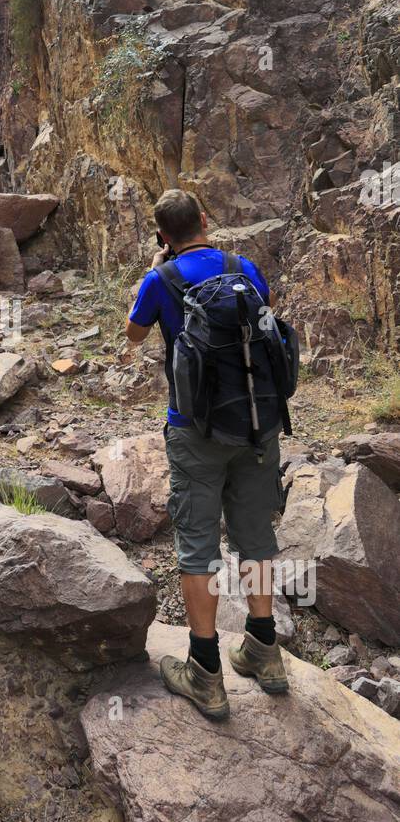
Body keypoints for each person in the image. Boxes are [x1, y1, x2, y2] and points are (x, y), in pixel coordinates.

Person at [125, 189, 288, 720]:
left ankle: (205, 672)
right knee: (256, 536)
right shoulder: (246, 269)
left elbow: (133, 335)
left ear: (163, 235)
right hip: (258, 427)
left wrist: (157, 268)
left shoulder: (160, 279)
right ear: (205, 219)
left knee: (198, 546)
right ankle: (265, 652)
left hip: (194, 430)